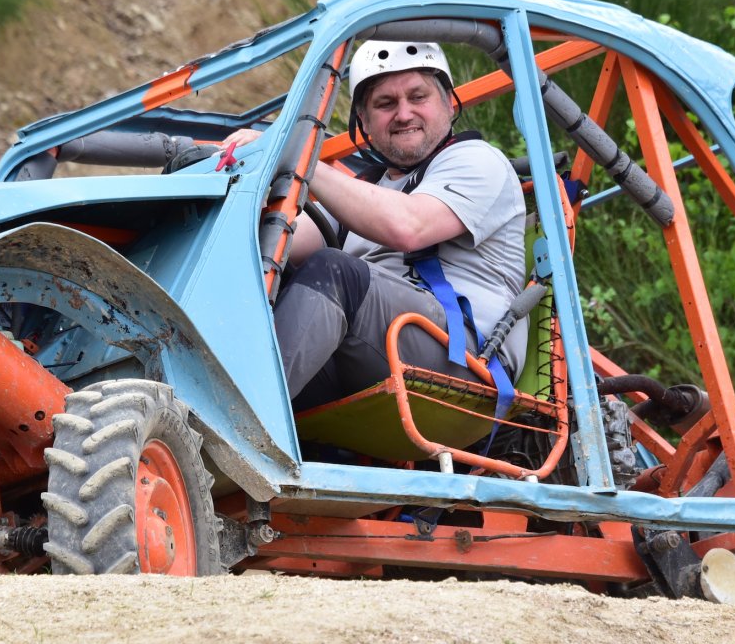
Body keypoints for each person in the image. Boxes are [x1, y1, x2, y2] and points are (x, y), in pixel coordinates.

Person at [225, 41, 528, 411]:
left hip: (465, 363)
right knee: (265, 273)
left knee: (334, 272)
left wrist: (298, 159)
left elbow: (408, 226)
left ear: (449, 102)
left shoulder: (478, 161)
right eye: (385, 104)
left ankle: (232, 423)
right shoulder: (367, 189)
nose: (404, 114)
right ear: (364, 122)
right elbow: (283, 237)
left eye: (418, 96)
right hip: (379, 353)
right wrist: (236, 194)